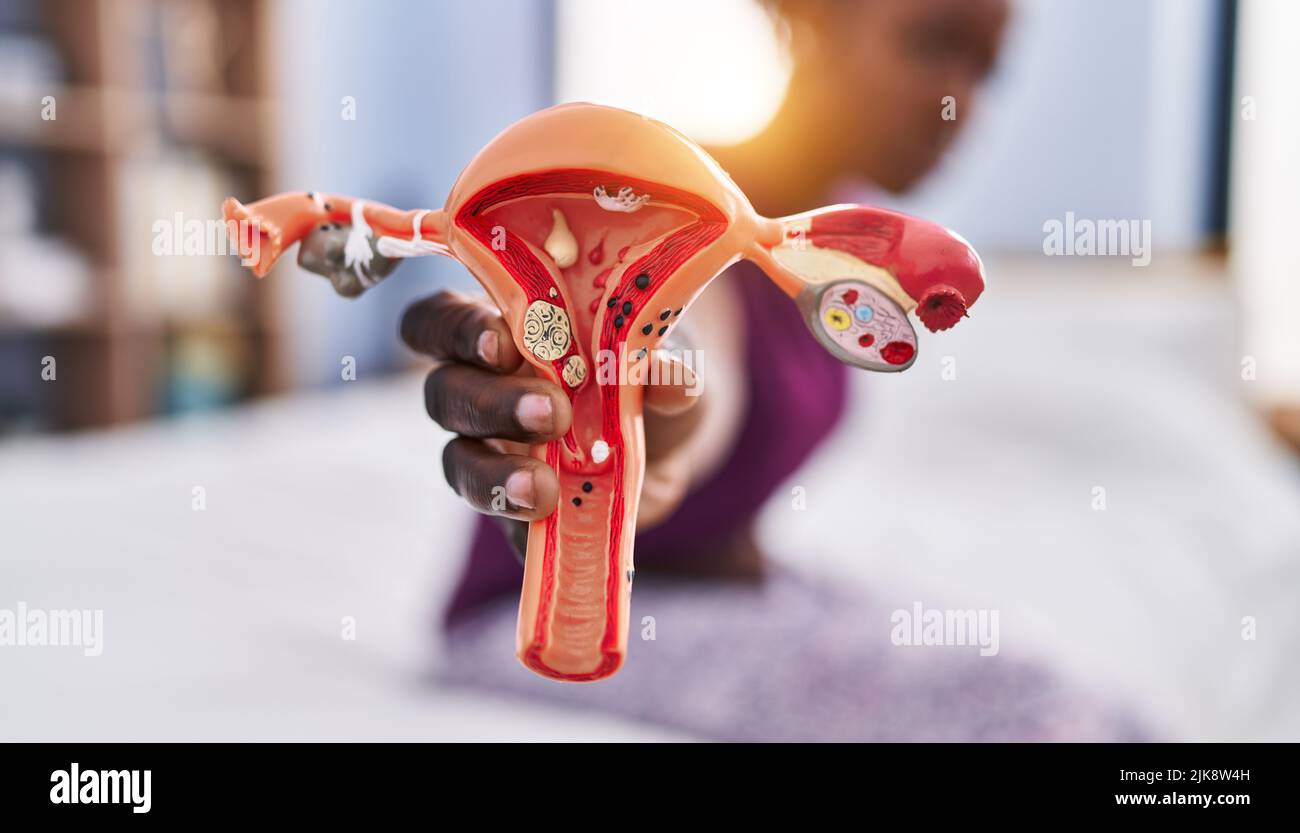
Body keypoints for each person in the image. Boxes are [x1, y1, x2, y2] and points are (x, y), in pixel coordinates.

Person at [325, 0, 1148, 739]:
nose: (959, 103)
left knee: (1099, 707)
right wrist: (649, 409)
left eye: (986, 68)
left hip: (707, 593)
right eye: (932, 44)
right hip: (530, 630)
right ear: (814, 22)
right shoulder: (678, 207)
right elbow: (684, 344)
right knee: (1041, 713)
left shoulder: (825, 256)